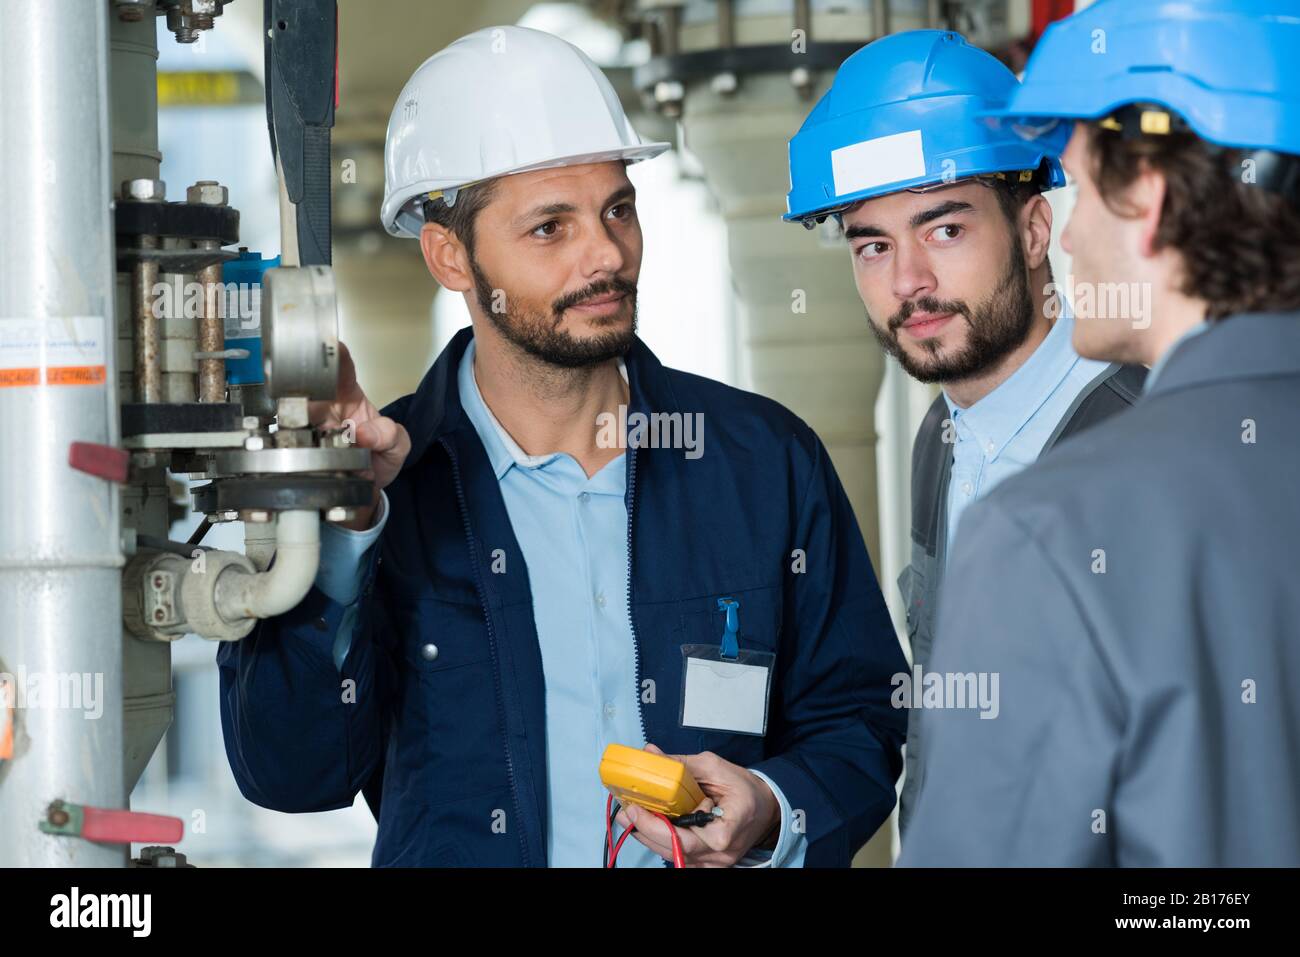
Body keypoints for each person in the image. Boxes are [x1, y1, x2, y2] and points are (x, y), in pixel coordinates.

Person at [218, 25, 907, 868]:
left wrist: (771, 806)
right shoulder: (389, 489)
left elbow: (861, 719)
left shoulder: (761, 462)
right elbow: (291, 772)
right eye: (550, 227)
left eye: (618, 208)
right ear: (450, 256)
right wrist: (341, 532)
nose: (606, 254)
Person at [900, 0, 1300, 865]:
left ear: (1148, 199)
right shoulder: (951, 454)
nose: (1069, 234)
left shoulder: (1051, 529)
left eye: (1078, 185)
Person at [784, 29, 1145, 833]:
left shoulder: (1141, 442)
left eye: (945, 230)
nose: (908, 281)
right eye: (873, 245)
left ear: (1034, 228)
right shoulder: (941, 442)